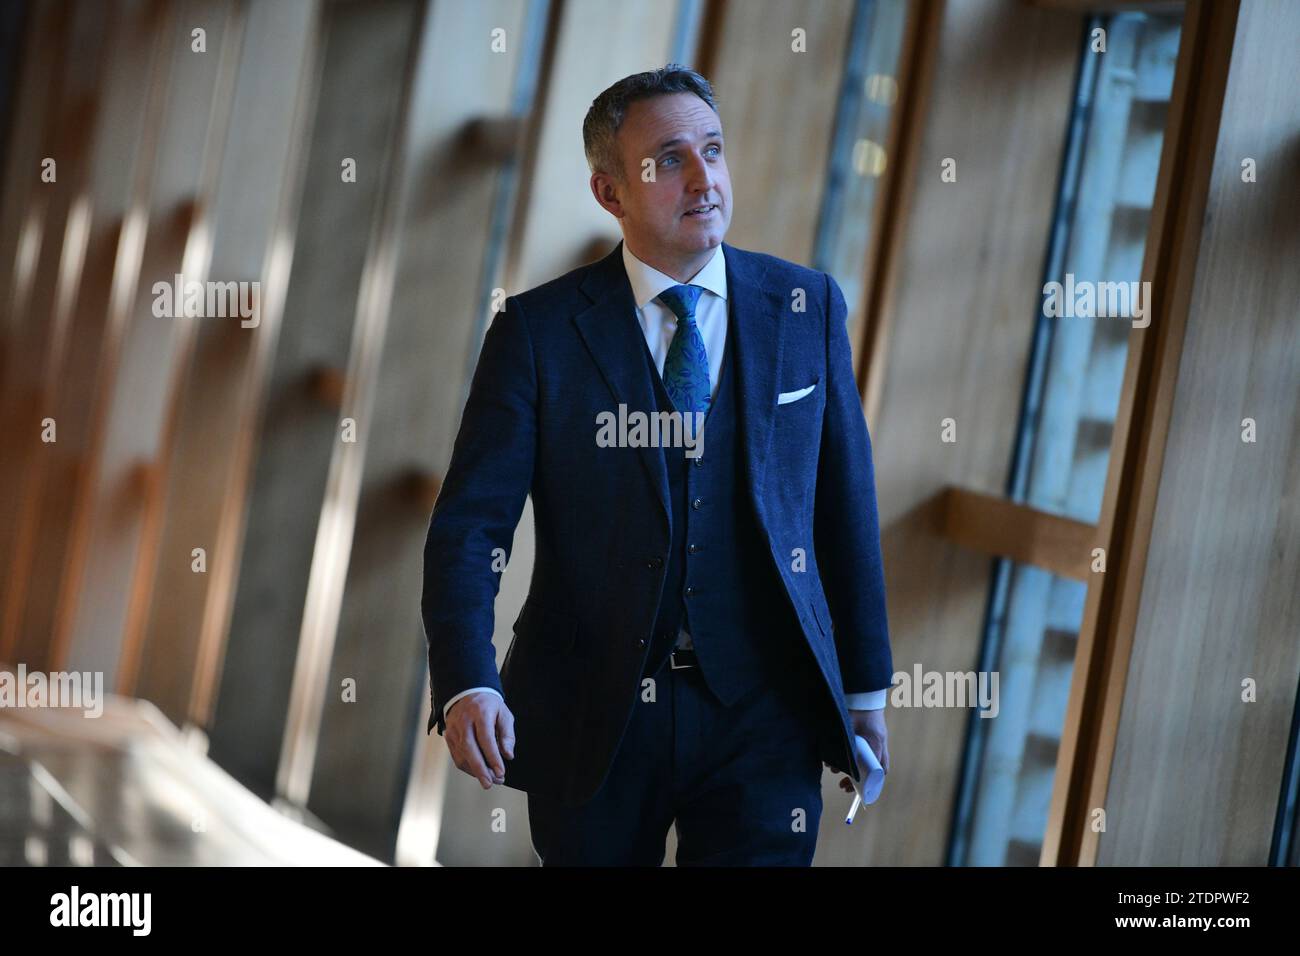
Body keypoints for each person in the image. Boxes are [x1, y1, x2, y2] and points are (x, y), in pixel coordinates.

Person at [421, 63, 892, 865]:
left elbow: (844, 506)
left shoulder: (805, 306)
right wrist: (469, 679)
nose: (704, 178)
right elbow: (470, 526)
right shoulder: (537, 334)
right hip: (592, 711)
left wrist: (864, 687)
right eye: (669, 159)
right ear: (611, 194)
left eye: (713, 149)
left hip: (765, 712)